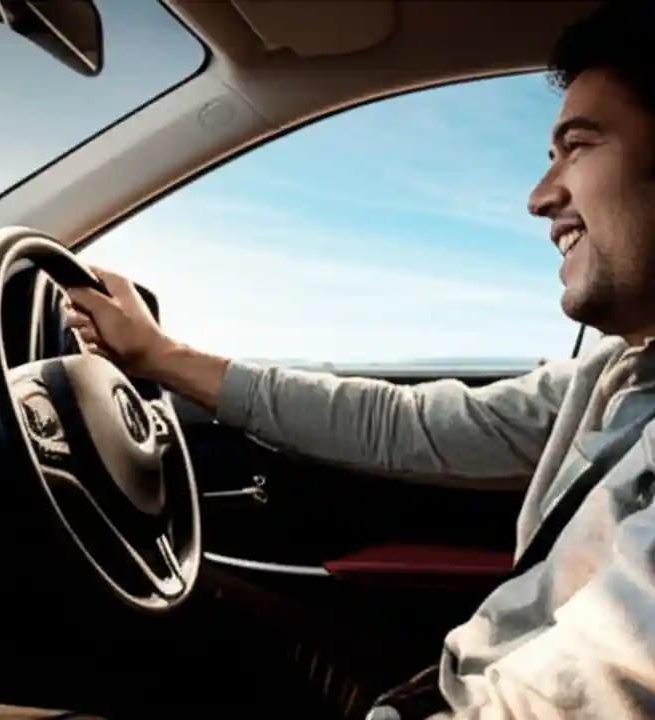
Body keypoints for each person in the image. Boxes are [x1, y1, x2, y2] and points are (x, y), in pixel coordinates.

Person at [63, 1, 655, 718]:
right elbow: (407, 423)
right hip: (450, 681)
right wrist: (160, 356)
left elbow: (596, 690)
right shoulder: (617, 374)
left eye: (579, 146)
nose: (539, 197)